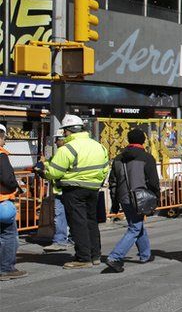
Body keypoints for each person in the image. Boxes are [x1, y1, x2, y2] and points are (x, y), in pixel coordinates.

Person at [42, 115, 110, 269]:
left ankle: (83, 258)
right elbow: (105, 168)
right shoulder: (98, 146)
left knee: (78, 223)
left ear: (68, 131)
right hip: (93, 189)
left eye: (64, 131)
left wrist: (43, 170)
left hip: (74, 189)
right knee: (91, 221)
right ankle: (95, 255)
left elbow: (54, 172)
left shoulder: (67, 148)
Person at [105, 129, 160, 273]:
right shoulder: (147, 157)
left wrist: (115, 202)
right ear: (143, 140)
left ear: (129, 140)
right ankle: (115, 257)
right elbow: (153, 182)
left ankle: (145, 254)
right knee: (135, 228)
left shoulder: (118, 158)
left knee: (137, 224)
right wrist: (156, 198)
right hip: (141, 197)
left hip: (124, 197)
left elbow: (113, 182)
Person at [0, 125, 25, 280]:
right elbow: (7, 179)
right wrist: (16, 186)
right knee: (8, 235)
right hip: (2, 202)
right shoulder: (1, 155)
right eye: (4, 138)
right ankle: (6, 269)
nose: (4, 142)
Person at [41, 131, 72, 252]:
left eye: (57, 139)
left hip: (62, 189)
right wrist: (44, 163)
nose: (55, 142)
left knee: (60, 216)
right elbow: (52, 164)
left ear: (63, 139)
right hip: (65, 189)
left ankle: (60, 241)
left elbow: (55, 170)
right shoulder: (64, 152)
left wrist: (44, 172)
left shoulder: (63, 152)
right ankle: (69, 238)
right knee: (67, 215)